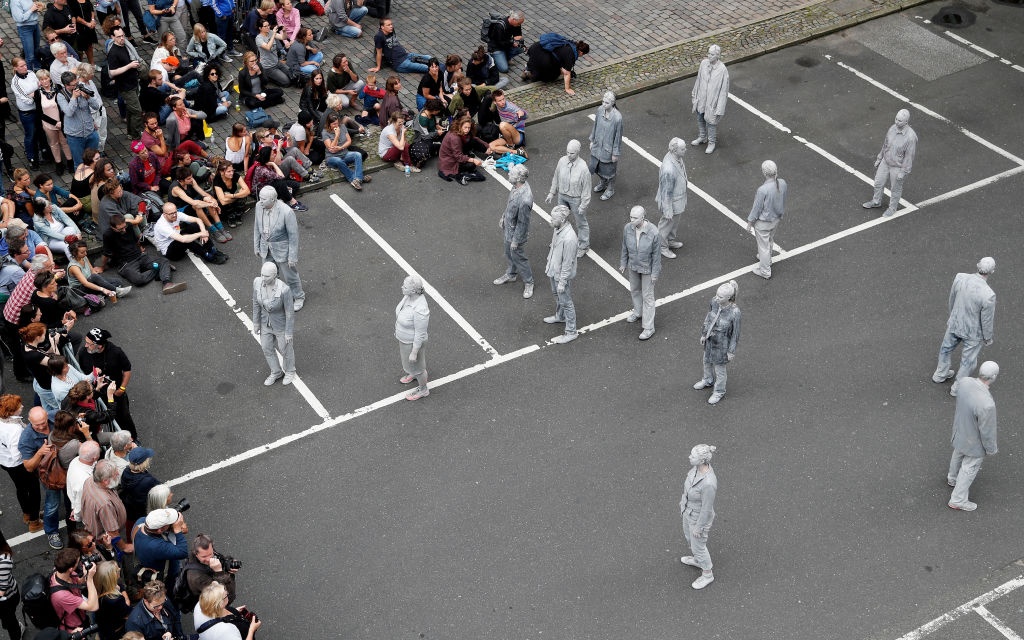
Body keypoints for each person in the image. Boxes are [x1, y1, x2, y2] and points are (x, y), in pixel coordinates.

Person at [933, 257, 996, 396]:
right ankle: (957, 388)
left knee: (945, 349)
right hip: (973, 332)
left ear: (978, 264)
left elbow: (952, 299)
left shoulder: (960, 278)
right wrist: (987, 337)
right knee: (968, 361)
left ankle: (940, 373)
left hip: (955, 323)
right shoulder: (989, 295)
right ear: (992, 271)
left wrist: (952, 316)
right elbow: (986, 320)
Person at [947, 361, 999, 512]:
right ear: (993, 377)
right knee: (969, 467)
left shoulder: (965, 382)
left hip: (960, 430)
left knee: (958, 453)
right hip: (973, 441)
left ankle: (952, 478)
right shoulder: (987, 404)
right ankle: (958, 500)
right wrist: (991, 449)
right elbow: (987, 431)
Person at [100, 214, 185, 294]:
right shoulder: (108, 235)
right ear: (113, 228)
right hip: (127, 263)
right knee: (138, 280)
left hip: (140, 255)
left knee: (164, 261)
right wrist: (102, 267)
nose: (124, 230)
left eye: (124, 227)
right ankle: (159, 270)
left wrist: (140, 247)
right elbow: (106, 252)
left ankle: (167, 283)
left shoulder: (128, 226)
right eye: (120, 229)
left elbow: (135, 240)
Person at [19, 405, 66, 548]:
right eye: (36, 425)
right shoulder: (26, 438)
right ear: (29, 421)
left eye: (43, 423)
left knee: (71, 498)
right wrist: (40, 453)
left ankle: (73, 523)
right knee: (52, 504)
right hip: (50, 475)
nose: (40, 427)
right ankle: (51, 532)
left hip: (67, 467)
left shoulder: (55, 416)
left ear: (47, 416)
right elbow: (28, 467)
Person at [253, 186, 304, 311]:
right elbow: (256, 226)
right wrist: (256, 246)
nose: (260, 201)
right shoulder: (259, 206)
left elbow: (293, 236)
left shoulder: (287, 212)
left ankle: (298, 297)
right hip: (266, 248)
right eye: (260, 198)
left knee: (290, 276)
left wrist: (292, 256)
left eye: (264, 199)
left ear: (273, 199)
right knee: (269, 275)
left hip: (283, 249)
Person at [0, 394, 44, 533]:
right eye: (19, 406)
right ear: (12, 411)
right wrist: (32, 458)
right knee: (34, 490)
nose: (22, 406)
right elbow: (17, 454)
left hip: (5, 462)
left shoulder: (3, 421)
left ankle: (28, 514)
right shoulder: (15, 429)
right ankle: (34, 522)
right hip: (18, 464)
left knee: (21, 489)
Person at [863, 108, 918, 217]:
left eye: (900, 121)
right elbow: (885, 144)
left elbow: (909, 156)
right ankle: (876, 201)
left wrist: (903, 172)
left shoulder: (911, 137)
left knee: (895, 188)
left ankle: (892, 208)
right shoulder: (892, 128)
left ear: (906, 122)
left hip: (897, 166)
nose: (897, 122)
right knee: (878, 182)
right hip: (886, 161)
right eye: (896, 119)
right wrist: (879, 158)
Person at [694, 281, 741, 405]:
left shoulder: (735, 312)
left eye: (720, 297)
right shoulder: (714, 302)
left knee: (720, 369)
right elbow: (708, 318)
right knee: (706, 361)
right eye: (716, 294)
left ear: (728, 298)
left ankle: (719, 391)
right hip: (710, 340)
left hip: (722, 344)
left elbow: (735, 334)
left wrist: (731, 352)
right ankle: (707, 380)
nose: (716, 298)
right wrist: (704, 334)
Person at [679, 444, 718, 590]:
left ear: (702, 460)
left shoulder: (708, 483)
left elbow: (707, 509)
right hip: (688, 512)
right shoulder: (695, 469)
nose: (690, 457)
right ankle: (697, 560)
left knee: (699, 546)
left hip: (698, 517)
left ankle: (707, 574)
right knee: (690, 539)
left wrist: (699, 527)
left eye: (693, 456)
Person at [619, 205, 661, 341]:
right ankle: (638, 312)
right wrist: (623, 263)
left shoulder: (654, 232)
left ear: (643, 217)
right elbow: (624, 246)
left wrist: (655, 274)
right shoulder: (628, 228)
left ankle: (649, 327)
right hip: (633, 266)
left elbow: (656, 256)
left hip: (647, 269)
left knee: (648, 296)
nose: (631, 220)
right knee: (635, 290)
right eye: (631, 216)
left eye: (635, 218)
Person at [493, 164, 533, 298]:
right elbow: (510, 204)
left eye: (511, 174)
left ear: (519, 178)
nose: (509, 174)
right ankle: (511, 274)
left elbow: (523, 223)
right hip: (509, 228)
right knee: (508, 253)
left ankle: (529, 282)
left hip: (516, 234)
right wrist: (504, 217)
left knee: (519, 257)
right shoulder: (516, 186)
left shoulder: (525, 199)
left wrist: (516, 240)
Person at [546, 140, 591, 258]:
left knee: (581, 223)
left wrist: (583, 205)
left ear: (578, 152)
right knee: (559, 220)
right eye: (567, 152)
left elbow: (587, 189)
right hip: (562, 195)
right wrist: (552, 193)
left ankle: (583, 246)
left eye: (572, 153)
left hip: (576, 198)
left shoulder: (583, 168)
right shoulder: (562, 161)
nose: (569, 155)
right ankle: (558, 240)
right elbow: (556, 177)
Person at [252, 262, 295, 385]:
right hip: (265, 323)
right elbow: (255, 302)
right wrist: (256, 322)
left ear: (275, 275)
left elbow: (289, 312)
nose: (263, 278)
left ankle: (290, 370)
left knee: (285, 349)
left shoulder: (284, 290)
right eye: (262, 275)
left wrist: (288, 332)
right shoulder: (257, 282)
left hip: (280, 325)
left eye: (266, 276)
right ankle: (276, 372)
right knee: (266, 348)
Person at [80, 459, 133, 554]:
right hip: (104, 540)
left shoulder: (90, 480)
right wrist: (124, 547)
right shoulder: (105, 504)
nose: (118, 473)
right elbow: (112, 532)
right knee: (114, 561)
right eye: (114, 474)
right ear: (105, 481)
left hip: (92, 528)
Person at [746, 160, 787, 279]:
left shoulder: (762, 190)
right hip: (776, 219)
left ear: (764, 172)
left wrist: (749, 223)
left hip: (764, 223)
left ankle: (765, 271)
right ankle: (767, 260)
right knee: (770, 240)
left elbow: (756, 208)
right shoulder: (782, 183)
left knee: (763, 247)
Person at [543, 205, 578, 345]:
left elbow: (567, 263)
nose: (550, 220)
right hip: (553, 270)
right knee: (557, 296)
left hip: (560, 274)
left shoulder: (569, 238)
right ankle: (560, 316)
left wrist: (562, 282)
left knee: (566, 302)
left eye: (554, 218)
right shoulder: (557, 229)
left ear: (562, 219)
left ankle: (571, 332)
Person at [152, 203, 226, 265]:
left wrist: (203, 232)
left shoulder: (176, 214)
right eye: (171, 214)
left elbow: (198, 220)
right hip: (171, 252)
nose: (174, 215)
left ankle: (212, 250)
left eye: (175, 212)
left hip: (176, 237)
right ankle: (208, 256)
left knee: (194, 226)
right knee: (186, 240)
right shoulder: (162, 225)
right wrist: (200, 234)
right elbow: (183, 239)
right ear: (164, 215)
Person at [131, 507, 188, 585]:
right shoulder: (156, 546)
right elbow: (183, 552)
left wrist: (169, 528)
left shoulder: (141, 522)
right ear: (160, 530)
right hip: (166, 576)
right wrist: (177, 530)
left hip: (148, 562)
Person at [181, 534, 239, 609]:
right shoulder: (197, 577)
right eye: (204, 557)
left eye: (211, 554)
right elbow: (227, 597)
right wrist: (219, 572)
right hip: (211, 607)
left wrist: (228, 562)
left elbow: (221, 558)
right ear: (196, 554)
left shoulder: (205, 552)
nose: (209, 559)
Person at [395, 275, 429, 401]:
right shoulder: (408, 297)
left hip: (413, 343)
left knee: (419, 368)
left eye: (405, 286)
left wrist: (414, 352)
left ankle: (423, 389)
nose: (402, 287)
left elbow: (420, 333)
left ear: (414, 290)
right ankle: (413, 373)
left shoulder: (421, 309)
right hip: (405, 341)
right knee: (411, 365)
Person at [690, 44, 729, 154]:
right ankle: (702, 137)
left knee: (711, 122)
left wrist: (720, 108)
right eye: (708, 53)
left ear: (717, 56)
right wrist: (695, 94)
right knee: (700, 117)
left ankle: (711, 142)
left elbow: (723, 91)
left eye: (712, 54)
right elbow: (699, 79)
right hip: (702, 97)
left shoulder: (722, 70)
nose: (709, 56)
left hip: (713, 101)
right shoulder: (703, 63)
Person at [49, 548, 100, 631]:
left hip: (78, 612)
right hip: (74, 626)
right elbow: (93, 607)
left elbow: (77, 582)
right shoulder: (61, 595)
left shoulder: (60, 571)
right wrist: (90, 579)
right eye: (78, 562)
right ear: (71, 569)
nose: (81, 563)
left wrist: (85, 575)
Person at [106, 26, 144, 137]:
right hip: (125, 87)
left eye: (123, 35)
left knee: (131, 110)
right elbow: (112, 72)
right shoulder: (113, 52)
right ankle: (136, 135)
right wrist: (129, 66)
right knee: (137, 111)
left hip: (133, 82)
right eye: (119, 37)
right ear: (112, 37)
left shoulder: (126, 45)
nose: (122, 38)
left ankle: (131, 133)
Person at [36, 70, 76, 175]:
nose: (45, 81)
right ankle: (58, 163)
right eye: (42, 79)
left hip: (62, 122)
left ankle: (70, 161)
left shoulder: (58, 88)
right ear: (39, 81)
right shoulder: (38, 93)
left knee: (65, 142)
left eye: (46, 78)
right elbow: (40, 112)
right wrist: (55, 122)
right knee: (54, 144)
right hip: (49, 124)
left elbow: (64, 105)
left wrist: (61, 121)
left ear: (50, 78)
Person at [522, 33, 588, 95]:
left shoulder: (570, 43)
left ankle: (528, 69)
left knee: (534, 62)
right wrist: (567, 89)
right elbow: (566, 73)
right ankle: (531, 75)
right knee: (550, 76)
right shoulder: (571, 55)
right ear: (581, 53)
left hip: (536, 47)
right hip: (543, 58)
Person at [193, 581, 260, 640]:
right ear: (220, 604)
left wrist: (234, 612)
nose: (227, 592)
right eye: (225, 595)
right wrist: (252, 629)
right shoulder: (226, 631)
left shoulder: (201, 605)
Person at [655, 138, 687, 259]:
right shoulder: (669, 168)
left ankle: (670, 240)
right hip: (671, 201)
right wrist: (667, 210)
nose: (685, 150)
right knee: (666, 224)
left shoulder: (675, 157)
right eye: (682, 149)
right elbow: (666, 192)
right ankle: (662, 247)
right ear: (675, 150)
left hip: (677, 200)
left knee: (674, 222)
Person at [588, 91, 622, 201]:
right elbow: (595, 124)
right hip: (597, 147)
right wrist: (592, 140)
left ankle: (610, 189)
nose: (603, 104)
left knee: (610, 172)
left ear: (612, 103)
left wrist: (615, 153)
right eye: (603, 101)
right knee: (596, 167)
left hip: (608, 150)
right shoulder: (599, 110)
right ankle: (603, 182)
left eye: (606, 103)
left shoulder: (617, 118)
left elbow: (618, 137)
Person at [322, 113, 368, 191]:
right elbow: (331, 149)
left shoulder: (342, 127)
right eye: (334, 124)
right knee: (338, 161)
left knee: (357, 155)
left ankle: (358, 178)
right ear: (329, 124)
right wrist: (337, 135)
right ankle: (355, 178)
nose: (336, 126)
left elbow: (349, 141)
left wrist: (341, 147)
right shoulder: (325, 132)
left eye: (337, 123)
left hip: (344, 153)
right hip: (332, 157)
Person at [11, 57, 41, 170]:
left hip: (38, 108)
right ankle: (31, 157)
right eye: (21, 66)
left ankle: (42, 151)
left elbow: (40, 85)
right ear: (15, 68)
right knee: (30, 134)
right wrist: (34, 94)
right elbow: (26, 100)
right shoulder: (15, 82)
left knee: (40, 131)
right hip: (27, 112)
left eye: (25, 65)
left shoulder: (31, 73)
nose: (25, 67)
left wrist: (33, 93)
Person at [437, 115, 486, 184]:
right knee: (471, 165)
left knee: (470, 146)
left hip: (447, 158)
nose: (467, 130)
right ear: (460, 126)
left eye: (469, 128)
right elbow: (458, 157)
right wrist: (473, 160)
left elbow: (474, 138)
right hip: (449, 162)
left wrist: (487, 145)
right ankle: (461, 174)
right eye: (465, 127)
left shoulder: (455, 130)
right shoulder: (455, 138)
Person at [32, 197, 81, 261]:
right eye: (47, 206)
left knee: (72, 229)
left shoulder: (54, 208)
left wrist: (78, 233)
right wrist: (69, 238)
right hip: (51, 240)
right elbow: (52, 233)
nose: (50, 206)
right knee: (66, 246)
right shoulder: (37, 221)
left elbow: (67, 220)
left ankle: (79, 252)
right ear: (42, 210)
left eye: (49, 204)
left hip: (62, 232)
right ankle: (75, 264)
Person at [93, 560, 131, 640]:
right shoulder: (115, 599)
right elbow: (127, 612)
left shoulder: (96, 589)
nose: (120, 569)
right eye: (117, 570)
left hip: (103, 629)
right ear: (111, 577)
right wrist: (126, 597)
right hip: (115, 632)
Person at [254, 19, 292, 87]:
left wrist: (284, 30)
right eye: (265, 26)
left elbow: (284, 37)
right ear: (260, 28)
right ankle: (269, 77)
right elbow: (268, 47)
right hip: (269, 67)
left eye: (268, 25)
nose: (268, 27)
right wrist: (273, 34)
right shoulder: (259, 38)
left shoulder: (270, 32)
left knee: (292, 75)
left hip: (277, 62)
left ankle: (277, 75)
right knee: (286, 83)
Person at [487, 90, 527, 156]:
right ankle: (516, 152)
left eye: (503, 99)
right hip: (507, 134)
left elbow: (522, 113)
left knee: (502, 125)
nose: (503, 102)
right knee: (491, 146)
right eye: (500, 101)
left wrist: (521, 112)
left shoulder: (509, 106)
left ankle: (511, 145)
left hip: (517, 135)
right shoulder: (496, 106)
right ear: (495, 102)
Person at [212, 161, 251, 228]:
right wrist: (239, 195)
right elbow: (223, 201)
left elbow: (247, 191)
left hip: (231, 197)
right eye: (229, 171)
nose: (232, 173)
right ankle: (230, 217)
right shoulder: (217, 180)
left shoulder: (235, 175)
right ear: (222, 172)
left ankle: (238, 214)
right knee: (238, 194)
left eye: (232, 171)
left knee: (242, 193)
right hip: (224, 205)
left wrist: (234, 196)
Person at [13, 0, 46, 72]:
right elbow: (19, 18)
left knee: (36, 51)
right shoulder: (15, 1)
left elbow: (33, 8)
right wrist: (31, 10)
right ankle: (29, 73)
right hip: (25, 28)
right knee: (30, 56)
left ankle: (38, 71)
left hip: (35, 25)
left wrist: (39, 7)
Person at [0, 537, 21, 640]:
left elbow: (2, 589)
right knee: (8, 620)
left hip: (7, 598)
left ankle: (17, 634)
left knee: (10, 623)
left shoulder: (4, 560)